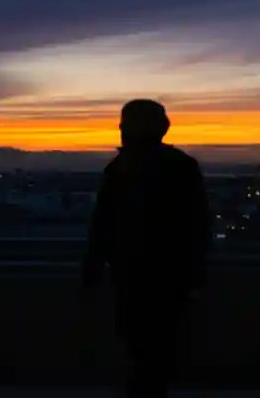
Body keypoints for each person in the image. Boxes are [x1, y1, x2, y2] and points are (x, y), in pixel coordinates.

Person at [82, 99, 211, 397]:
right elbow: (197, 227)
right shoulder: (179, 166)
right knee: (156, 357)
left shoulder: (120, 169)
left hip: (136, 277)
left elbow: (103, 224)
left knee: (142, 354)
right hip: (165, 279)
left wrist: (94, 268)